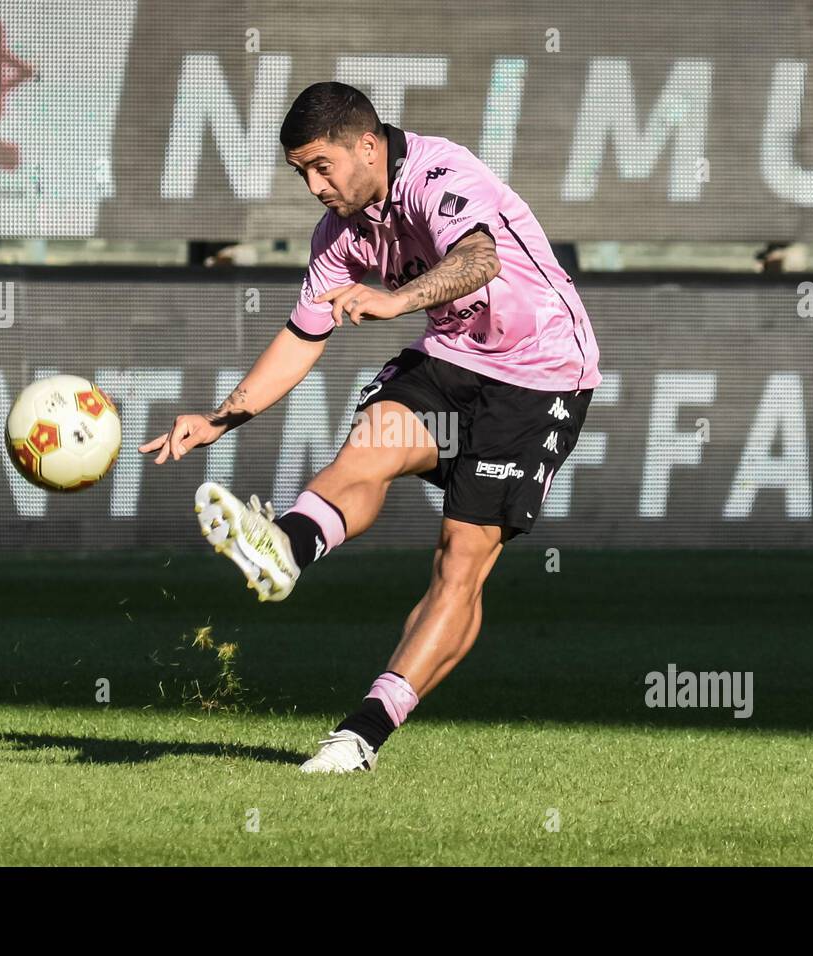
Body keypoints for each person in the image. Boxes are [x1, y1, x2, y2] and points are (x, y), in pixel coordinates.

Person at [139, 82, 601, 773]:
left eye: (322, 166)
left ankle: (362, 733)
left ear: (367, 145)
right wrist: (218, 419)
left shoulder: (440, 175)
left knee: (461, 560)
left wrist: (395, 300)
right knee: (371, 442)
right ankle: (287, 548)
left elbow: (480, 259)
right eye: (301, 173)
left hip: (539, 375)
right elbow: (302, 336)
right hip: (450, 360)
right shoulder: (339, 237)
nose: (314, 186)